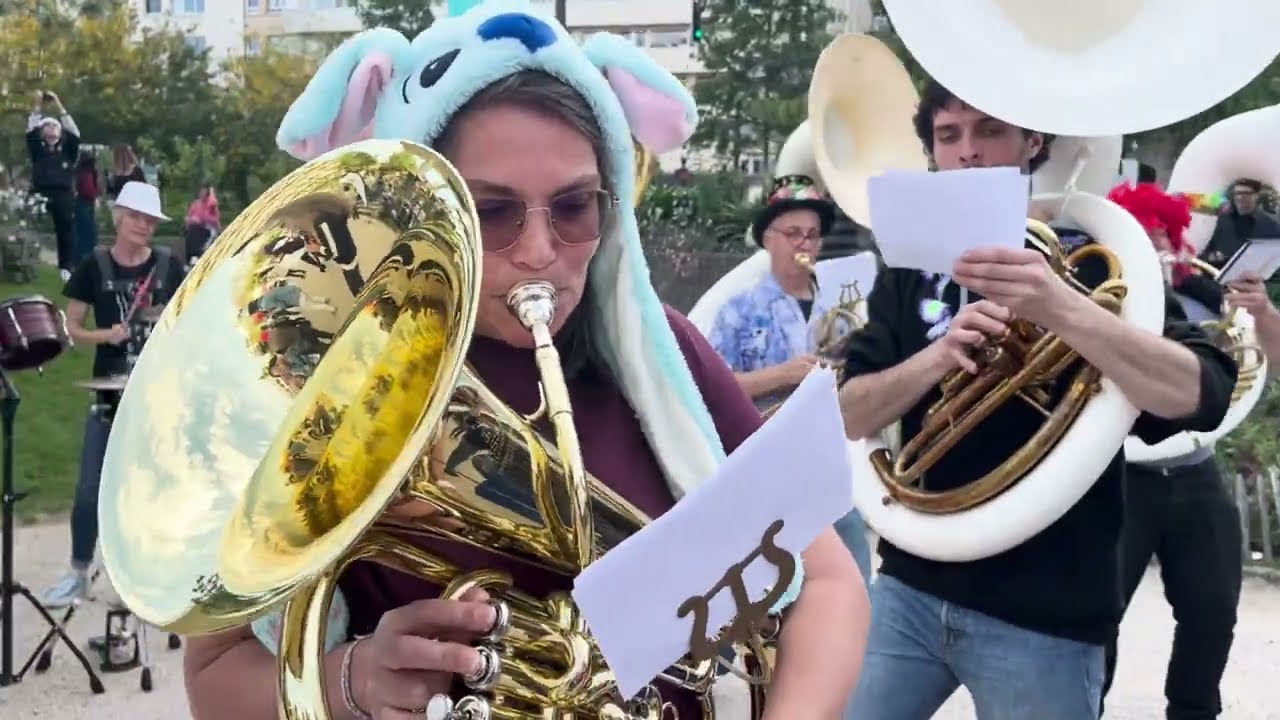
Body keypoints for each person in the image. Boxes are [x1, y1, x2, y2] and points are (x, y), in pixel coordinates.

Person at [182, 6, 869, 720]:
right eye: (493, 211)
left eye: (574, 208)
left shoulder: (663, 357)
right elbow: (215, 672)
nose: (540, 252)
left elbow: (826, 580)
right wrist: (350, 679)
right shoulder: (320, 389)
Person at [839, 78, 1237, 720]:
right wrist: (939, 356)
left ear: (1033, 142)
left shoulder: (1096, 264)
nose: (967, 151)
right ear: (934, 154)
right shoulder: (909, 266)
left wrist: (1058, 305)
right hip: (910, 584)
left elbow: (1200, 393)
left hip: (1048, 607)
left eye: (990, 129)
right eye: (949, 135)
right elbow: (852, 412)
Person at [1101, 180, 1248, 720]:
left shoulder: (1205, 296)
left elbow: (1256, 359)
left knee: (1213, 608)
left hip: (1195, 464)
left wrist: (1258, 311)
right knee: (1100, 612)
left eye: (1161, 232)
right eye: (1142, 232)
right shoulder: (1107, 296)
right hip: (1124, 470)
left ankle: (1194, 711)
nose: (1154, 242)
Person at [707, 174, 872, 589]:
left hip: (831, 466)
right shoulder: (738, 309)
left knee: (852, 580)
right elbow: (710, 390)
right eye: (793, 233)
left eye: (813, 235)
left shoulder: (843, 304)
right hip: (763, 469)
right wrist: (782, 376)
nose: (805, 244)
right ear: (768, 239)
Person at [40, 181, 186, 609]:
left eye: (151, 220)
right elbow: (73, 327)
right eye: (137, 217)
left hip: (153, 398)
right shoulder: (94, 265)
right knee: (89, 490)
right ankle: (78, 573)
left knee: (149, 491)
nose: (144, 226)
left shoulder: (167, 266)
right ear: (119, 218)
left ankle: (141, 581)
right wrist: (107, 334)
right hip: (107, 394)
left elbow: (184, 320)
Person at [25, 90, 81, 279]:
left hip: (62, 192)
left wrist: (58, 104)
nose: (50, 128)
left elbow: (74, 131)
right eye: (46, 125)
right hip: (40, 192)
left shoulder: (67, 150)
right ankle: (25, 261)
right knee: (29, 226)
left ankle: (66, 266)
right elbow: (31, 128)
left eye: (53, 125)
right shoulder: (37, 148)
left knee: (65, 228)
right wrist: (38, 104)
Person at [1201, 178, 1280, 267]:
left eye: (1246, 194)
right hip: (1219, 275)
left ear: (1257, 196)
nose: (1240, 198)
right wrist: (1213, 257)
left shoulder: (1271, 226)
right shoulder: (1224, 220)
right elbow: (1206, 253)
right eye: (1237, 194)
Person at [183, 183, 221, 266]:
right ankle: (190, 258)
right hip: (195, 228)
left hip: (207, 229)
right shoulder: (196, 203)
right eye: (201, 191)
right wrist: (190, 220)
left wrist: (202, 220)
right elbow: (188, 216)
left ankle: (195, 255)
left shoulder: (211, 204)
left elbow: (215, 220)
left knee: (195, 231)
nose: (202, 193)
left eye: (204, 191)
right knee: (191, 231)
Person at [74, 150, 100, 263]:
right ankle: (86, 256)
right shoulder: (87, 174)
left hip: (81, 203)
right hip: (86, 203)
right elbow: (89, 191)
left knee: (82, 231)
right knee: (88, 231)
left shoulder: (79, 173)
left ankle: (81, 255)